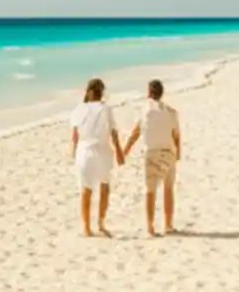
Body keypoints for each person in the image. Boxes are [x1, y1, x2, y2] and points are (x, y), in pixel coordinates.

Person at [123, 79, 181, 236]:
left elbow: (135, 133)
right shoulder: (171, 112)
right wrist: (178, 154)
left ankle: (150, 227)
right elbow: (176, 135)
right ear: (162, 93)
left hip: (152, 153)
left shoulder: (145, 111)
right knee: (168, 189)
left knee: (150, 190)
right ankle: (168, 225)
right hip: (169, 152)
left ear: (149, 92)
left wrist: (125, 151)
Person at [69, 78, 125, 237]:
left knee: (86, 190)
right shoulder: (106, 109)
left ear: (88, 92)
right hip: (102, 151)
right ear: (102, 93)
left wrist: (74, 152)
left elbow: (75, 136)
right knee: (104, 187)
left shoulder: (79, 109)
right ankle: (100, 223)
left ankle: (87, 228)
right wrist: (119, 151)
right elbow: (113, 133)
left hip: (84, 152)